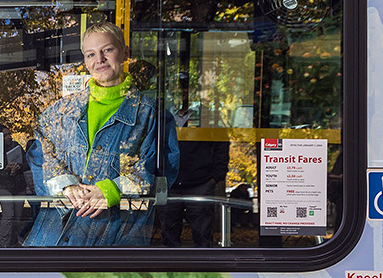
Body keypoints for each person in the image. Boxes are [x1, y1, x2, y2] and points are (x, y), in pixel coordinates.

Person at [25, 22, 178, 247]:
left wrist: (112, 190)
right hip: (51, 239)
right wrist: (66, 186)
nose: (100, 59)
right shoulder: (61, 111)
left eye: (107, 50)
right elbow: (40, 155)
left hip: (113, 241)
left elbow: (161, 171)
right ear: (85, 61)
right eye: (91, 54)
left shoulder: (151, 114)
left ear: (125, 53)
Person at [159, 106, 230, 247]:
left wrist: (216, 176)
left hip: (201, 183)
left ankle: (205, 262)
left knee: (203, 236)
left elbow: (222, 142)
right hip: (169, 182)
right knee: (168, 236)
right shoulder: (164, 115)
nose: (183, 94)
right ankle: (170, 262)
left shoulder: (207, 116)